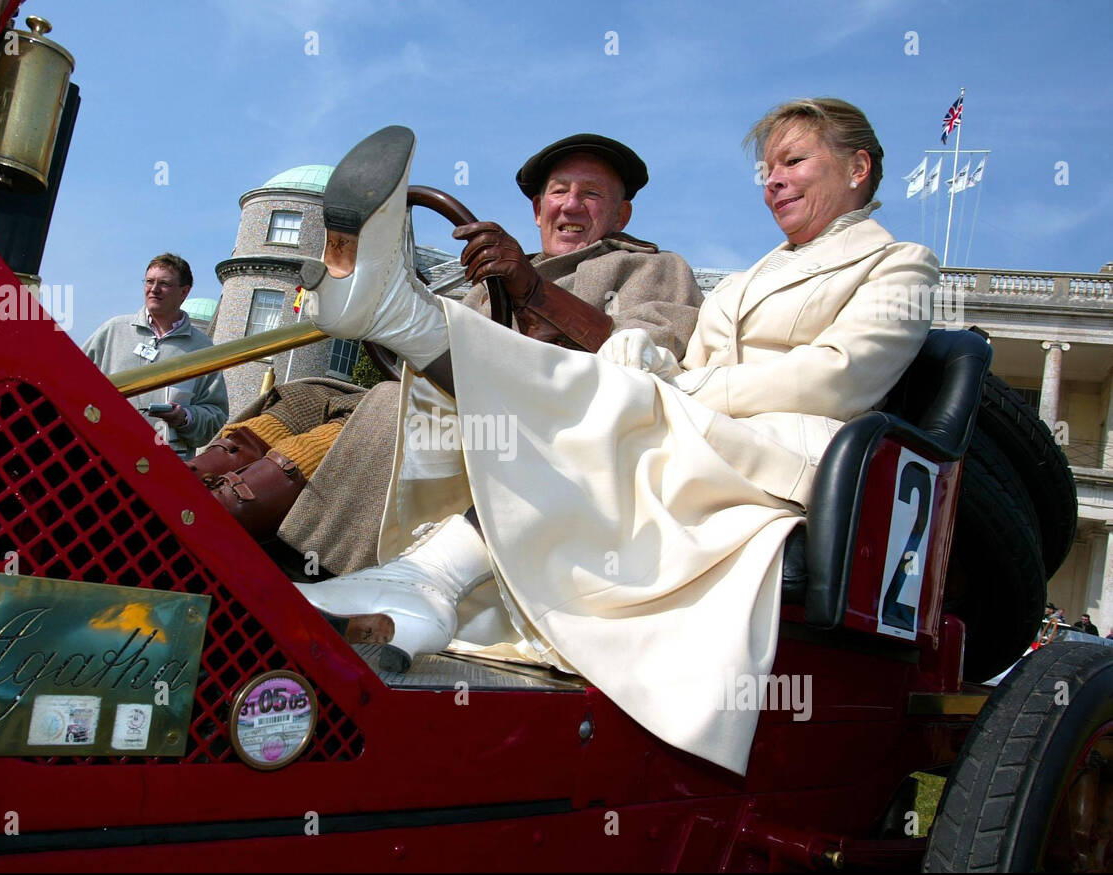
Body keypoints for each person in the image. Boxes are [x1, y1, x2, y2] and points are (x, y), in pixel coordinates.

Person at [291, 99, 939, 776]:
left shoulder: (901, 264)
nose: (772, 180)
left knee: (604, 395)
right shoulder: (746, 281)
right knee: (599, 389)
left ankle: (406, 319)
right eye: (768, 168)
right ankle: (422, 580)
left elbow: (839, 378)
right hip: (703, 432)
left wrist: (678, 386)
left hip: (790, 453)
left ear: (857, 168)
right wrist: (653, 362)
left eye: (794, 161)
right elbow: (687, 362)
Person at [195, 135, 703, 573]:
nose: (571, 205)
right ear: (537, 209)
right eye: (559, 191)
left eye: (591, 194)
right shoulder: (492, 276)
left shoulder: (651, 267)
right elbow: (428, 366)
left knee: (392, 410)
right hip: (464, 409)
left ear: (621, 214)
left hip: (545, 439)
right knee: (308, 395)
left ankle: (260, 552)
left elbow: (641, 362)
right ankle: (189, 491)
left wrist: (533, 292)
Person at [83, 253, 228, 459]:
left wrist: (184, 418)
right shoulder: (113, 330)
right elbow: (72, 380)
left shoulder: (203, 349)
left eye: (164, 284)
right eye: (149, 281)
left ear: (184, 292)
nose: (154, 289)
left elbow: (216, 417)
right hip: (101, 453)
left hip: (162, 464)